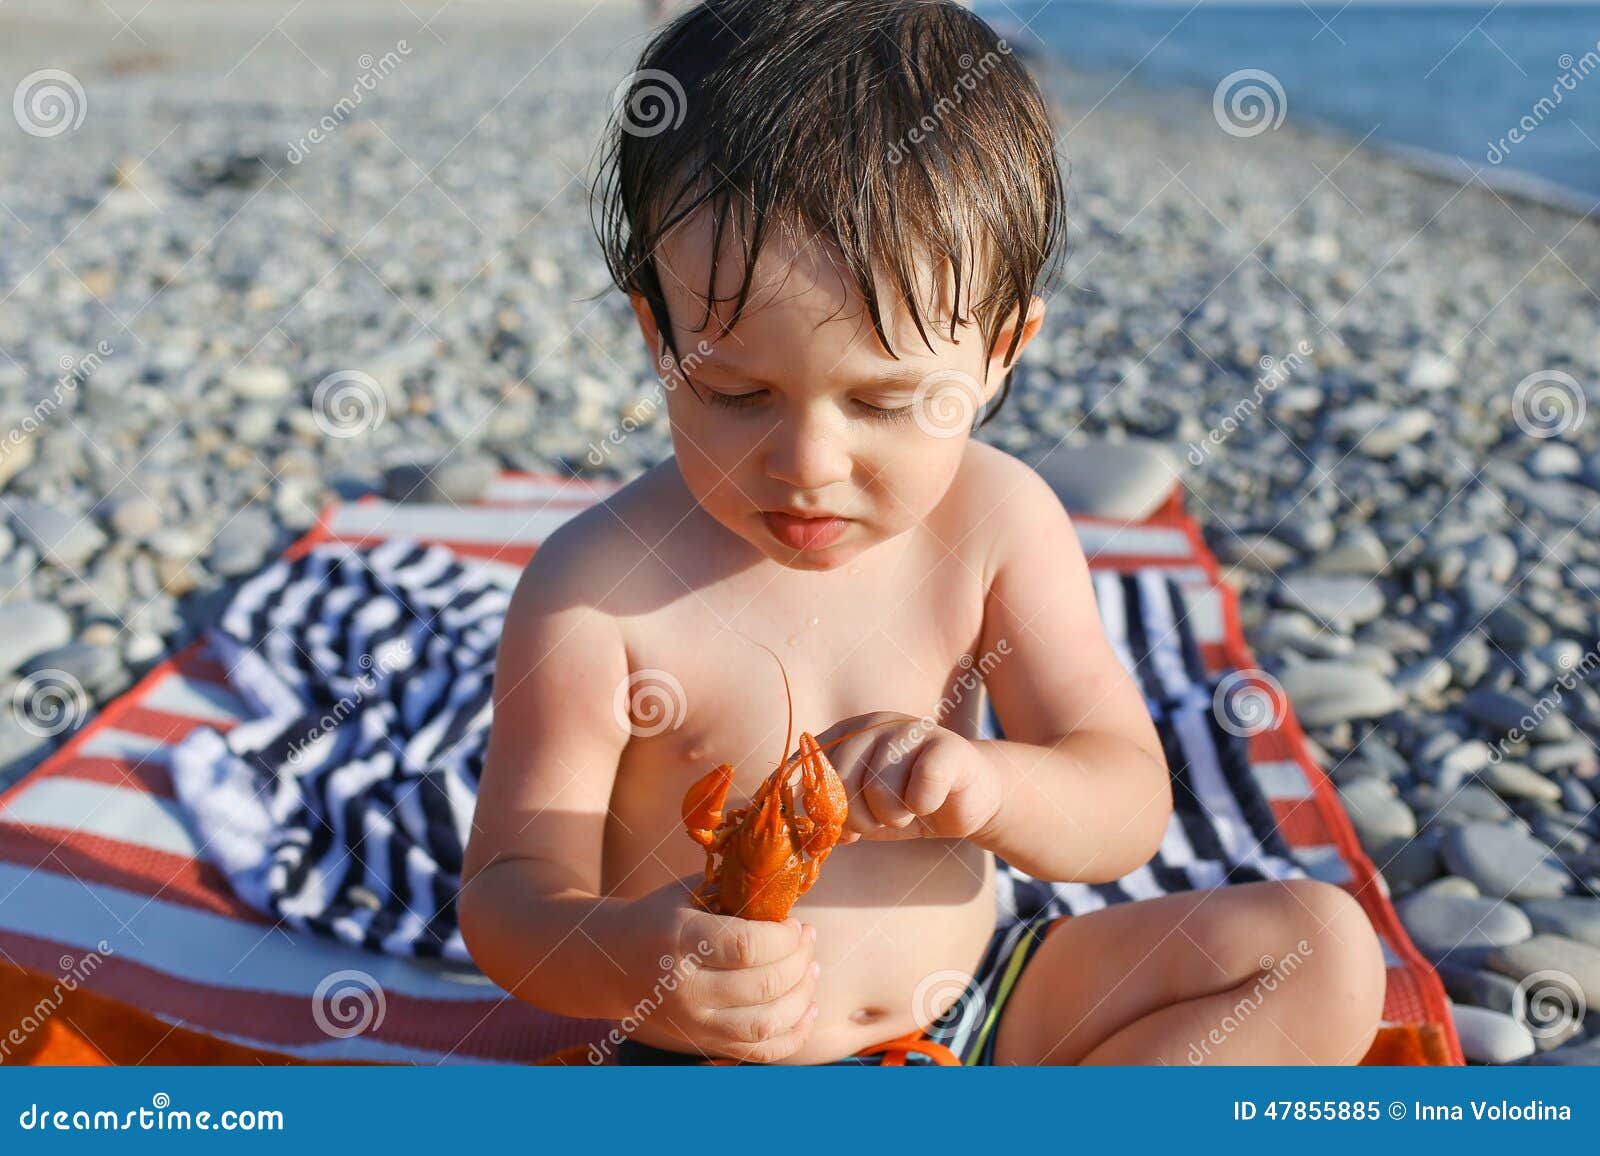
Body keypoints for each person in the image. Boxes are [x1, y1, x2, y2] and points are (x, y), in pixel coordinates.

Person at [460, 0, 1385, 1066]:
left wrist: (991, 785)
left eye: (885, 404)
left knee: (1316, 945)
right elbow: (507, 900)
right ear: (654, 332)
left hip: (970, 1010)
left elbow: (1125, 798)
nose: (808, 463)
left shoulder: (997, 523)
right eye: (735, 391)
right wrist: (632, 955)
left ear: (1000, 351)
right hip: (712, 1058)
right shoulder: (596, 589)